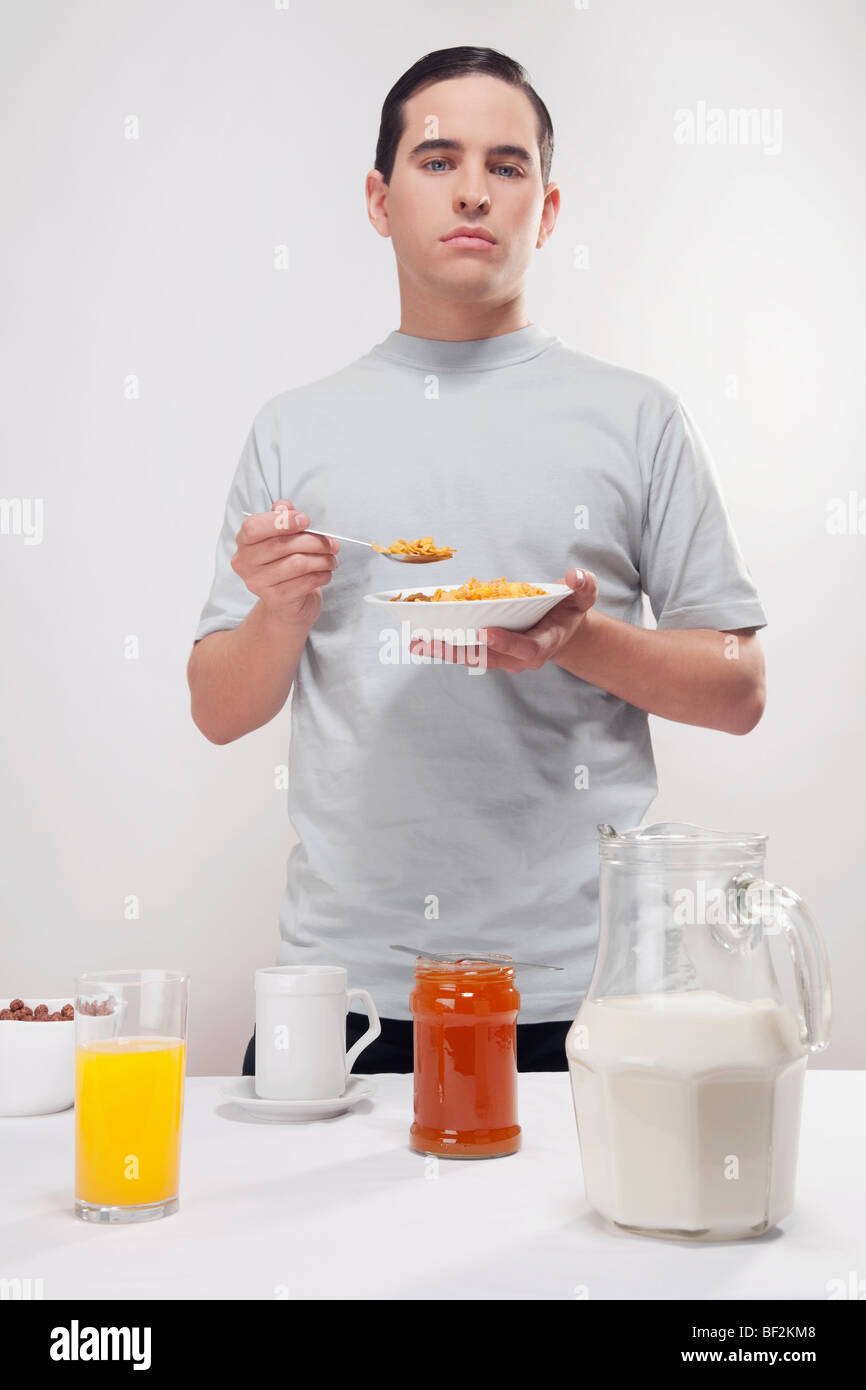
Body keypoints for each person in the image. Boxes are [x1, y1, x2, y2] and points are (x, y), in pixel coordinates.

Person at [187, 46, 767, 1077]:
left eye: (506, 166)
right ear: (377, 197)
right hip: (348, 992)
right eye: (435, 157)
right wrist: (278, 614)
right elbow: (218, 709)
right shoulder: (293, 431)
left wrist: (577, 639)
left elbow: (736, 688)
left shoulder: (635, 417)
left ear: (545, 211)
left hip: (586, 992)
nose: (470, 191)